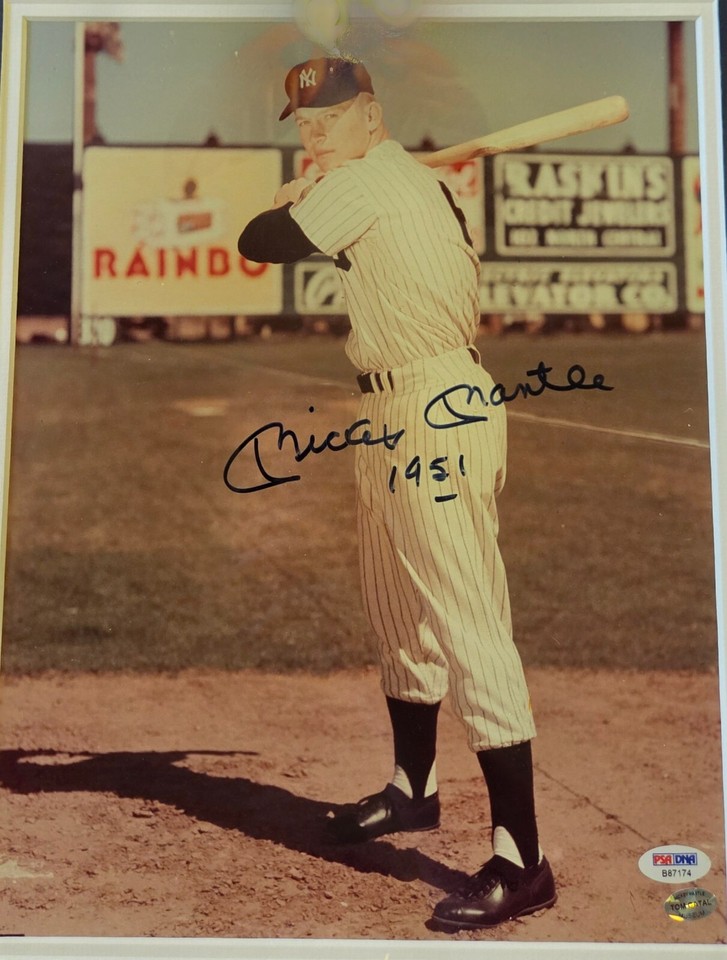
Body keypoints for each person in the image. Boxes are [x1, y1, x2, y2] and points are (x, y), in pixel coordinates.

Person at [238, 57, 556, 931]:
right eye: (306, 123)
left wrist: (297, 195)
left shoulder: (364, 182)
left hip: (432, 403)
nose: (316, 135)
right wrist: (315, 187)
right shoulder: (399, 180)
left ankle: (523, 861)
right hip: (392, 405)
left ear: (371, 118)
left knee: (466, 621)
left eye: (330, 120)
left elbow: (259, 242)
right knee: (397, 611)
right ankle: (412, 789)